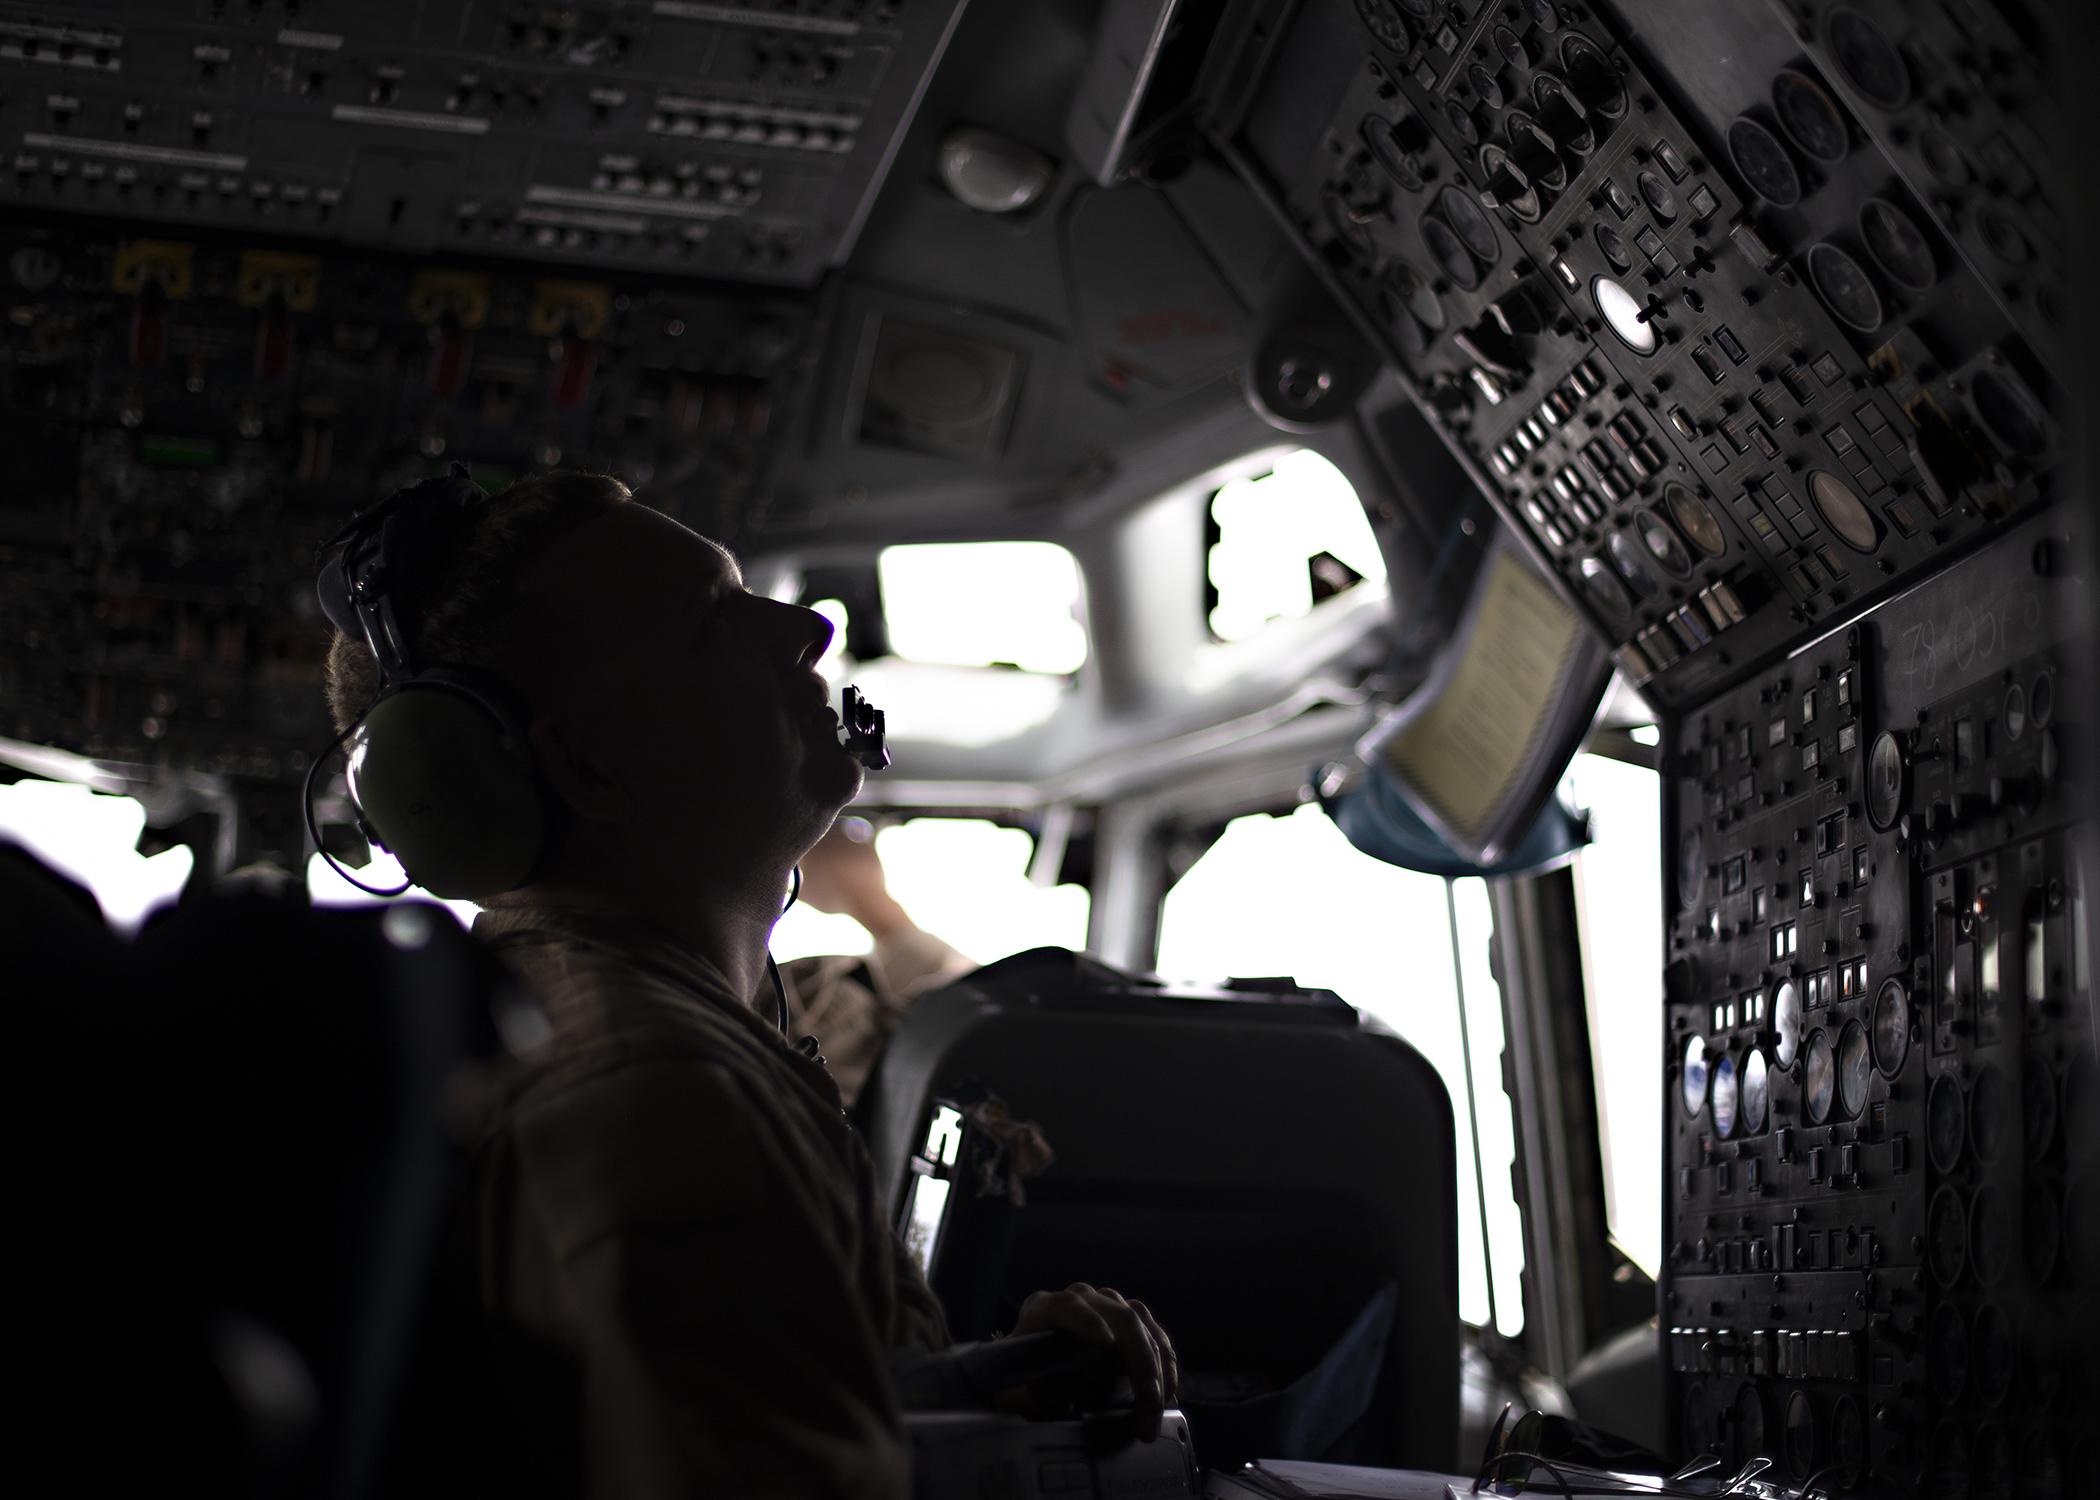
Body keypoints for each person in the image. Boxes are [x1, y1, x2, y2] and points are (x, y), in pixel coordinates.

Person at [320, 471, 1176, 1498]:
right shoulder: (654, 1092)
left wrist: (967, 1385)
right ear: (585, 767)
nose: (809, 630)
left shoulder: (648, 1029)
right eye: (712, 620)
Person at [779, 820, 978, 1108]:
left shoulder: (774, 1000)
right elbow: (967, 1015)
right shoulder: (796, 1002)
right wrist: (864, 897)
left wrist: (859, 894)